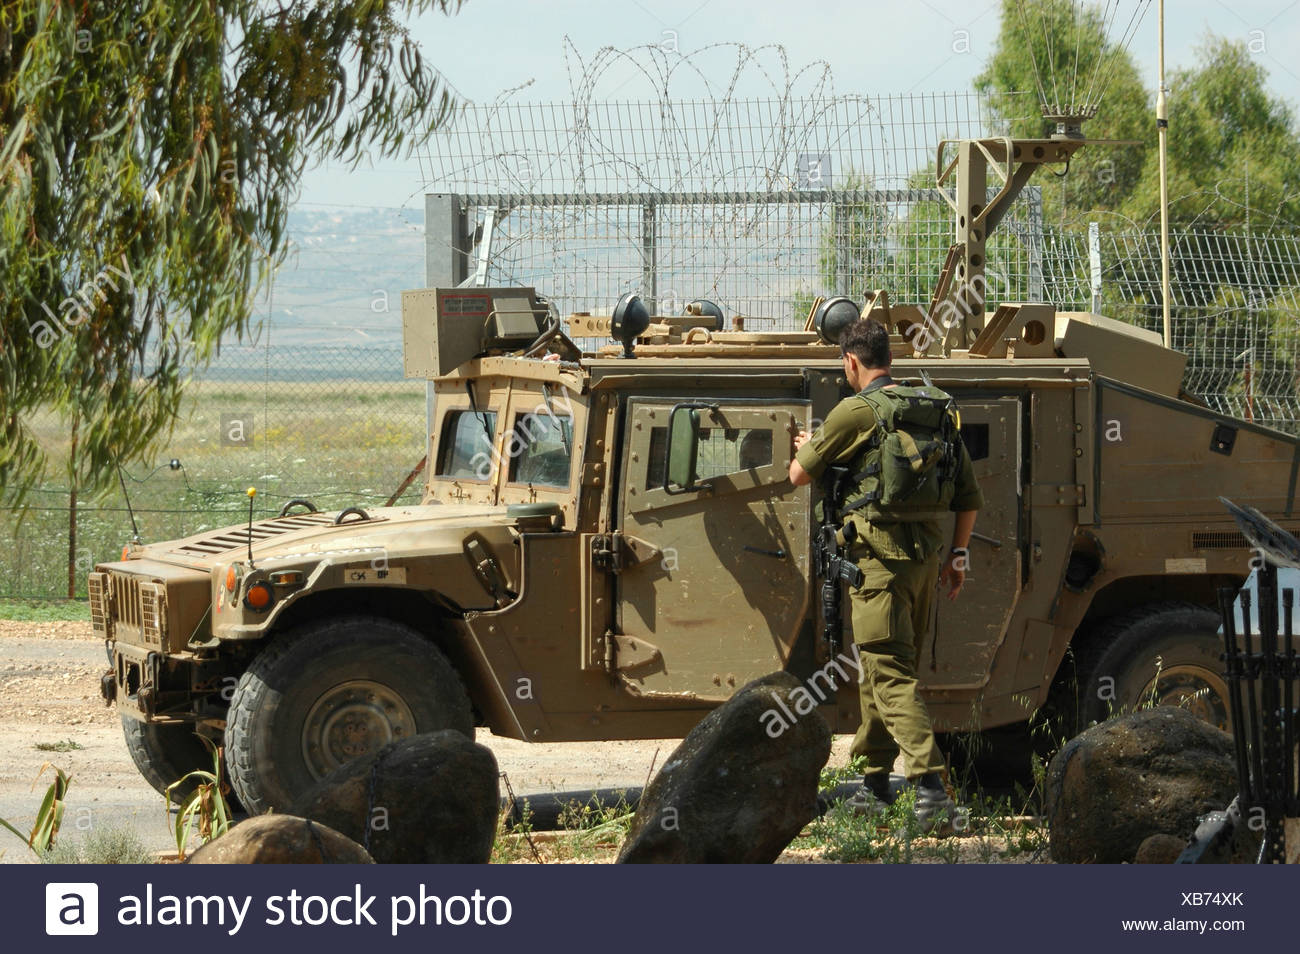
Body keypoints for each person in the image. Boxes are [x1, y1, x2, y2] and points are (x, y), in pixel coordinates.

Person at [788, 317, 983, 832]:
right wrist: (958, 558)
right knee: (884, 669)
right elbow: (969, 496)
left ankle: (931, 790)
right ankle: (875, 785)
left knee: (889, 674)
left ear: (851, 362)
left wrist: (810, 443)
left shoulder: (855, 412)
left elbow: (798, 474)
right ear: (887, 358)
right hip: (923, 565)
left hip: (876, 566)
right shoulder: (935, 409)